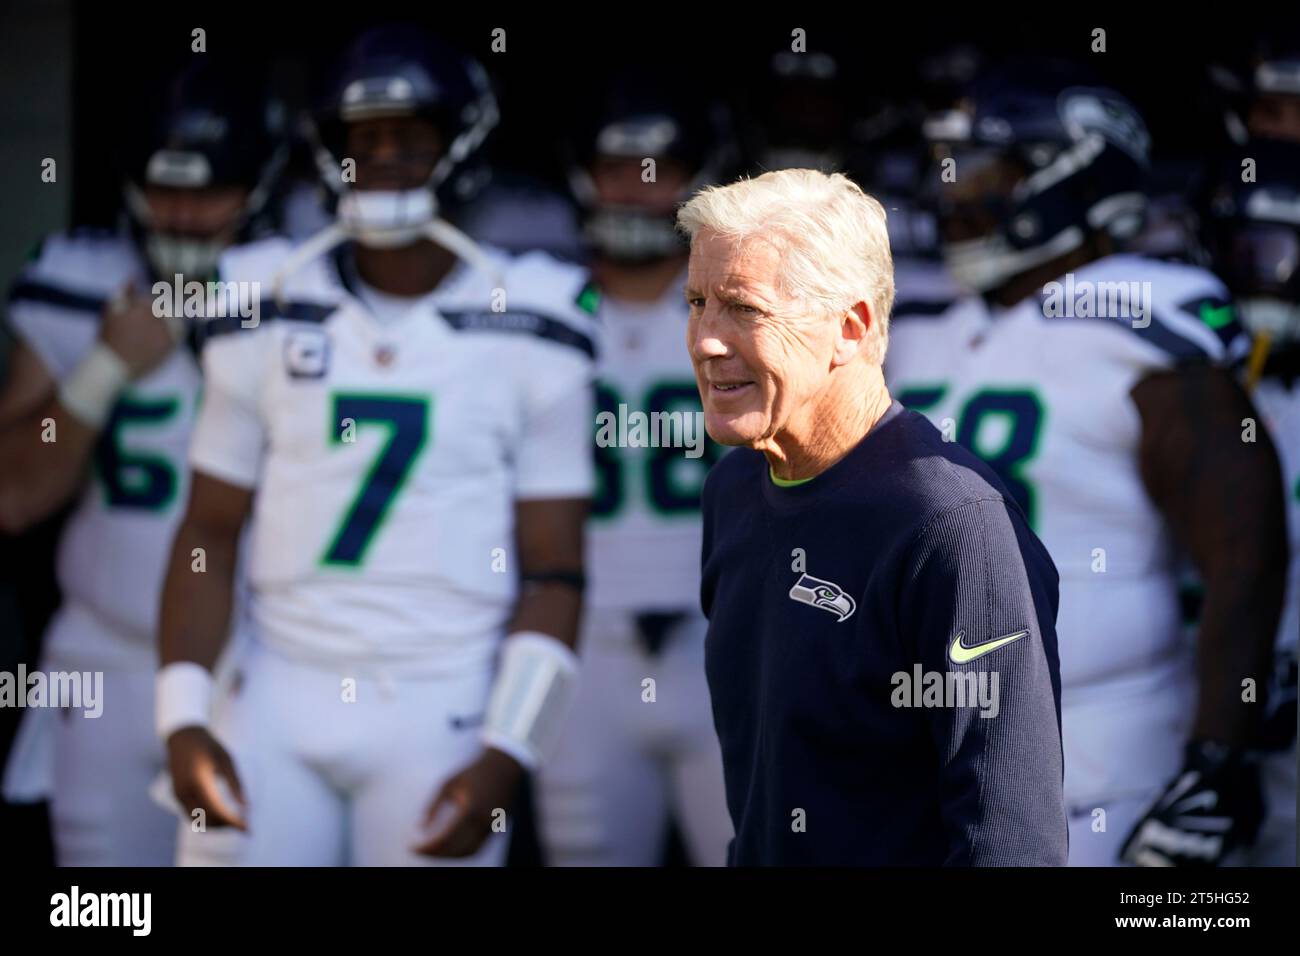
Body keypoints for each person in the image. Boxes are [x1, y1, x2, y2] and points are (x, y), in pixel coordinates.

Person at [156, 25, 594, 866]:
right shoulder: (262, 296)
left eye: (410, 136)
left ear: (459, 147)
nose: (384, 155)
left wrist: (509, 748)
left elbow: (554, 568)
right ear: (328, 150)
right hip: (274, 687)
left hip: (445, 701)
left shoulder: (534, 316)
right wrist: (181, 715)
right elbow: (208, 529)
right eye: (364, 138)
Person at [887, 60, 1288, 866]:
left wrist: (1218, 755)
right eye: (948, 171)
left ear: (1071, 179)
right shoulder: (920, 323)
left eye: (984, 171)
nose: (955, 195)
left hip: (1103, 763)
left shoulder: (1137, 316)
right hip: (925, 755)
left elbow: (1246, 550)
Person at [683, 167, 1067, 866]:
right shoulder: (734, 488)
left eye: (744, 308)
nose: (706, 339)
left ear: (851, 327)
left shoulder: (953, 527)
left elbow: (1013, 848)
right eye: (698, 301)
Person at [0, 60, 282, 865]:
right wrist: (99, 373)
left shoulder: (301, 289)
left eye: (210, 189)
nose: (185, 215)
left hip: (260, 666)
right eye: (165, 189)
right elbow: (13, 496)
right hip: (104, 662)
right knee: (106, 910)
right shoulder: (80, 283)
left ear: (260, 182)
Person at [534, 78, 733, 866]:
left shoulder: (753, 304)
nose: (637, 187)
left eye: (660, 165)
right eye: (618, 166)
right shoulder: (542, 309)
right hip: (585, 648)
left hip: (725, 639)